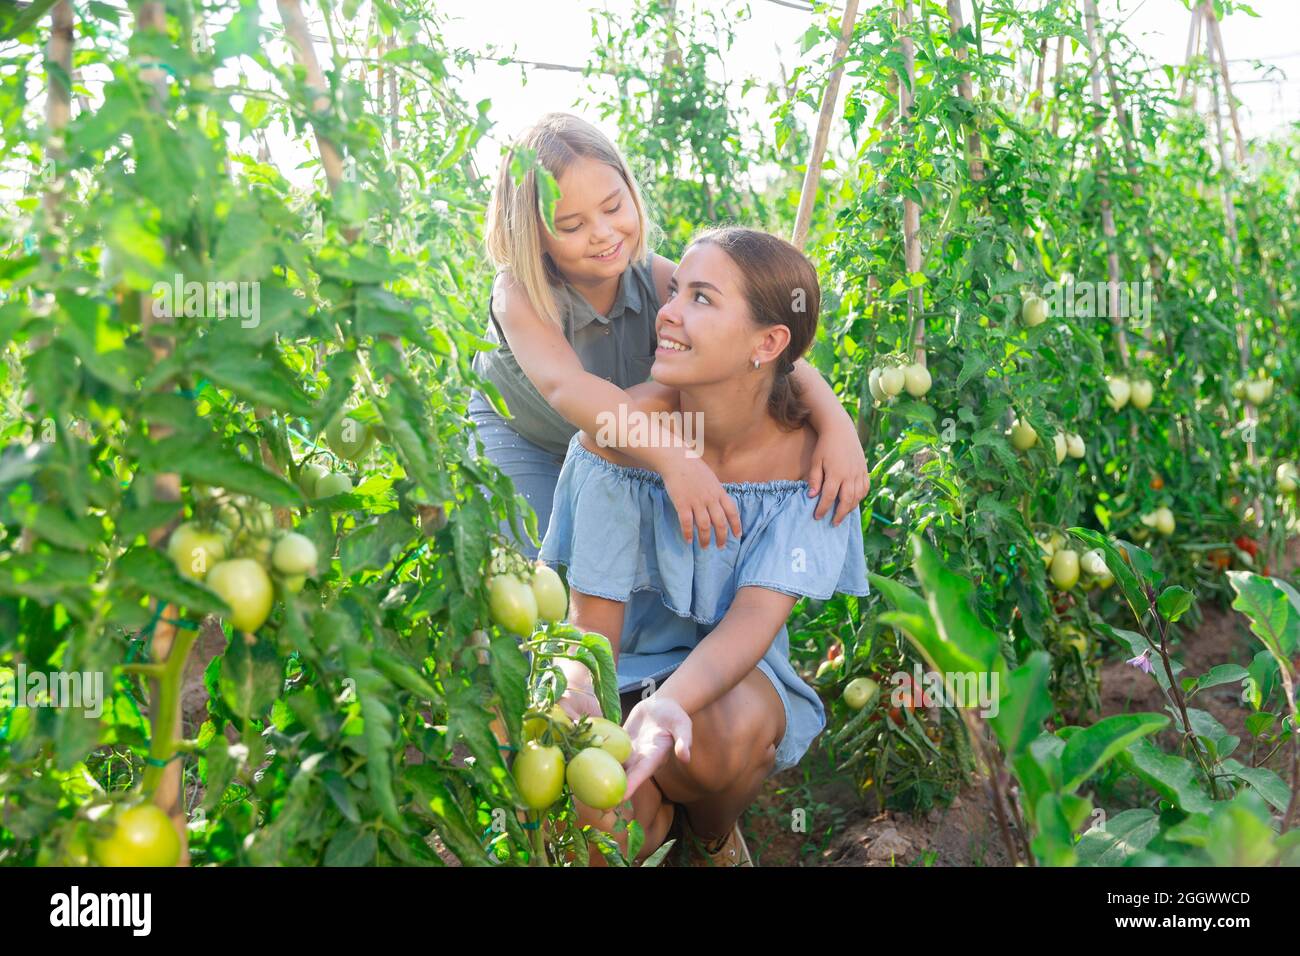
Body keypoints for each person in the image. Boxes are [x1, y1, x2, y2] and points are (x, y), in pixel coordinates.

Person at [538, 228, 870, 866]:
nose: (667, 312)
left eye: (701, 298)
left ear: (768, 343)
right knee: (595, 821)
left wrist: (669, 705)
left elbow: (752, 620)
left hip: (735, 679)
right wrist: (578, 693)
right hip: (625, 672)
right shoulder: (615, 444)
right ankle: (659, 819)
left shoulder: (815, 468)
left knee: (722, 738)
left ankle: (714, 834)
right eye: (673, 292)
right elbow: (594, 625)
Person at [468, 113, 869, 558]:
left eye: (613, 207)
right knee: (540, 566)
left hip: (623, 431)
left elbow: (756, 344)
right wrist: (675, 459)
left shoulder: (656, 277)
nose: (603, 233)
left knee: (634, 556)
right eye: (572, 226)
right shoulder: (520, 293)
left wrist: (837, 426)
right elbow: (569, 387)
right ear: (533, 233)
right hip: (527, 438)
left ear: (629, 191)